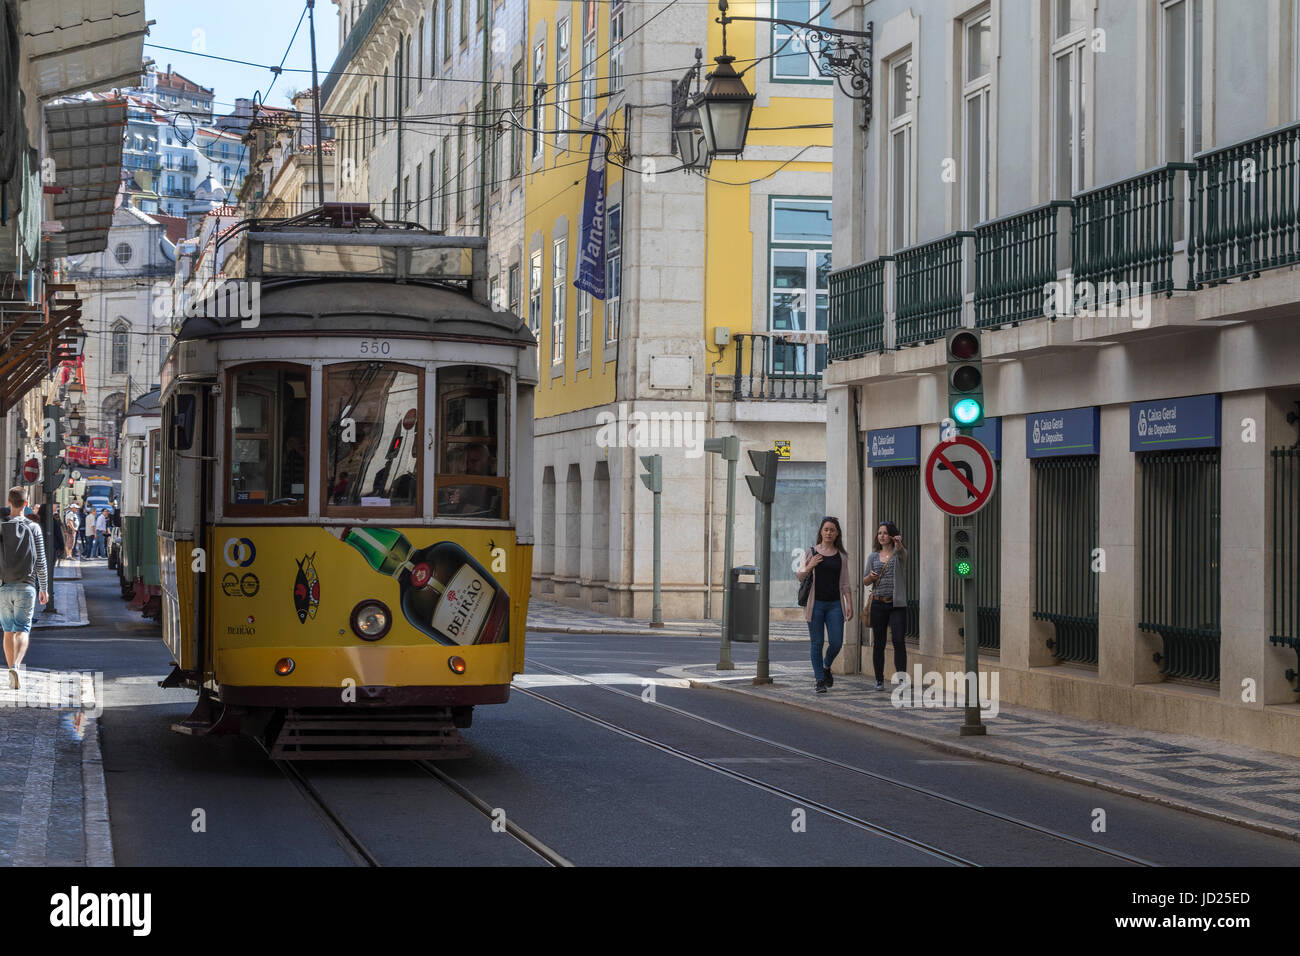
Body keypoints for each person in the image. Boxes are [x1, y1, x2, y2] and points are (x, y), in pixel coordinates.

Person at [796, 516, 854, 694]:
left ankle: (826, 665)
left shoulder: (842, 556)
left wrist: (849, 603)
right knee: (817, 643)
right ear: (821, 531)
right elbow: (800, 576)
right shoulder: (811, 552)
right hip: (815, 604)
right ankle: (820, 679)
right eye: (826, 529)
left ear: (837, 534)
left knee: (836, 642)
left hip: (835, 605)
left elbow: (845, 582)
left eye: (832, 530)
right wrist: (810, 565)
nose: (829, 532)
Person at [0, 488, 49, 689]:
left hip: (4, 586)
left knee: (8, 631)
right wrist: (44, 588)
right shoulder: (34, 528)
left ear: (9, 502)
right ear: (27, 502)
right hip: (27, 586)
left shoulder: (1, 527)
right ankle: (16, 667)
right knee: (22, 629)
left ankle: (11, 668)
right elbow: (41, 561)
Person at [864, 521, 909, 690]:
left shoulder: (899, 554)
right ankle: (879, 679)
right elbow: (865, 580)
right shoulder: (873, 556)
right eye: (879, 533)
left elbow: (904, 555)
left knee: (898, 640)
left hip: (896, 604)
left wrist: (899, 544)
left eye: (884, 533)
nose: (881, 536)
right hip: (878, 603)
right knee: (879, 642)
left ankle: (902, 679)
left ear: (891, 535)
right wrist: (871, 577)